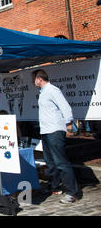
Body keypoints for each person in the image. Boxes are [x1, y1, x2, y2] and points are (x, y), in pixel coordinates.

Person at [32, 69, 79, 204]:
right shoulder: (43, 92)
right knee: (50, 161)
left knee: (61, 162)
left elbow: (65, 106)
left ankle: (72, 192)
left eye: (34, 79)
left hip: (55, 130)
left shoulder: (52, 90)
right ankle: (54, 186)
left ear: (39, 79)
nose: (33, 82)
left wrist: (69, 123)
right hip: (46, 131)